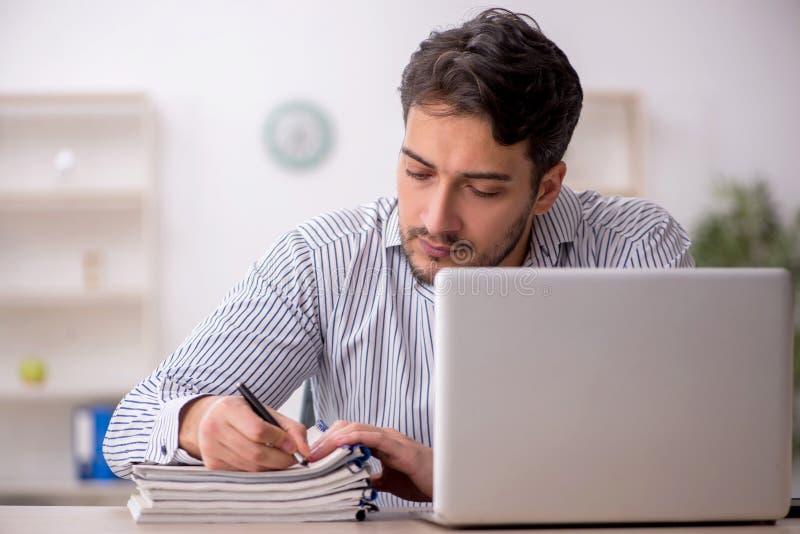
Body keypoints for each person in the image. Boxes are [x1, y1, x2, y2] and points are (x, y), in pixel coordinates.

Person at [103, 8, 693, 508]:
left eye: (482, 189)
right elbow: (128, 428)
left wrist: (456, 477)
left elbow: (690, 457)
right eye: (418, 172)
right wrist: (197, 424)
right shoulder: (321, 262)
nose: (435, 219)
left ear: (545, 188)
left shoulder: (633, 249)